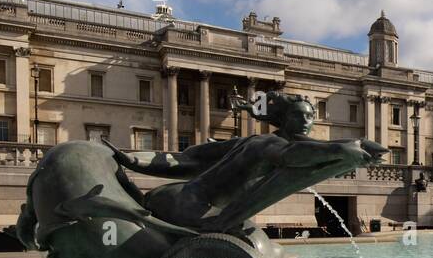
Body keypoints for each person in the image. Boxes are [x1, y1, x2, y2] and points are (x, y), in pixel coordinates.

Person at [103, 90, 385, 233]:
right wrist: (135, 160)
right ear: (283, 119)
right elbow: (296, 157)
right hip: (192, 210)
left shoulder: (251, 141)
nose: (306, 122)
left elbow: (188, 159)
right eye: (298, 116)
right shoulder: (271, 146)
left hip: (177, 200)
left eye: (310, 117)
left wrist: (135, 163)